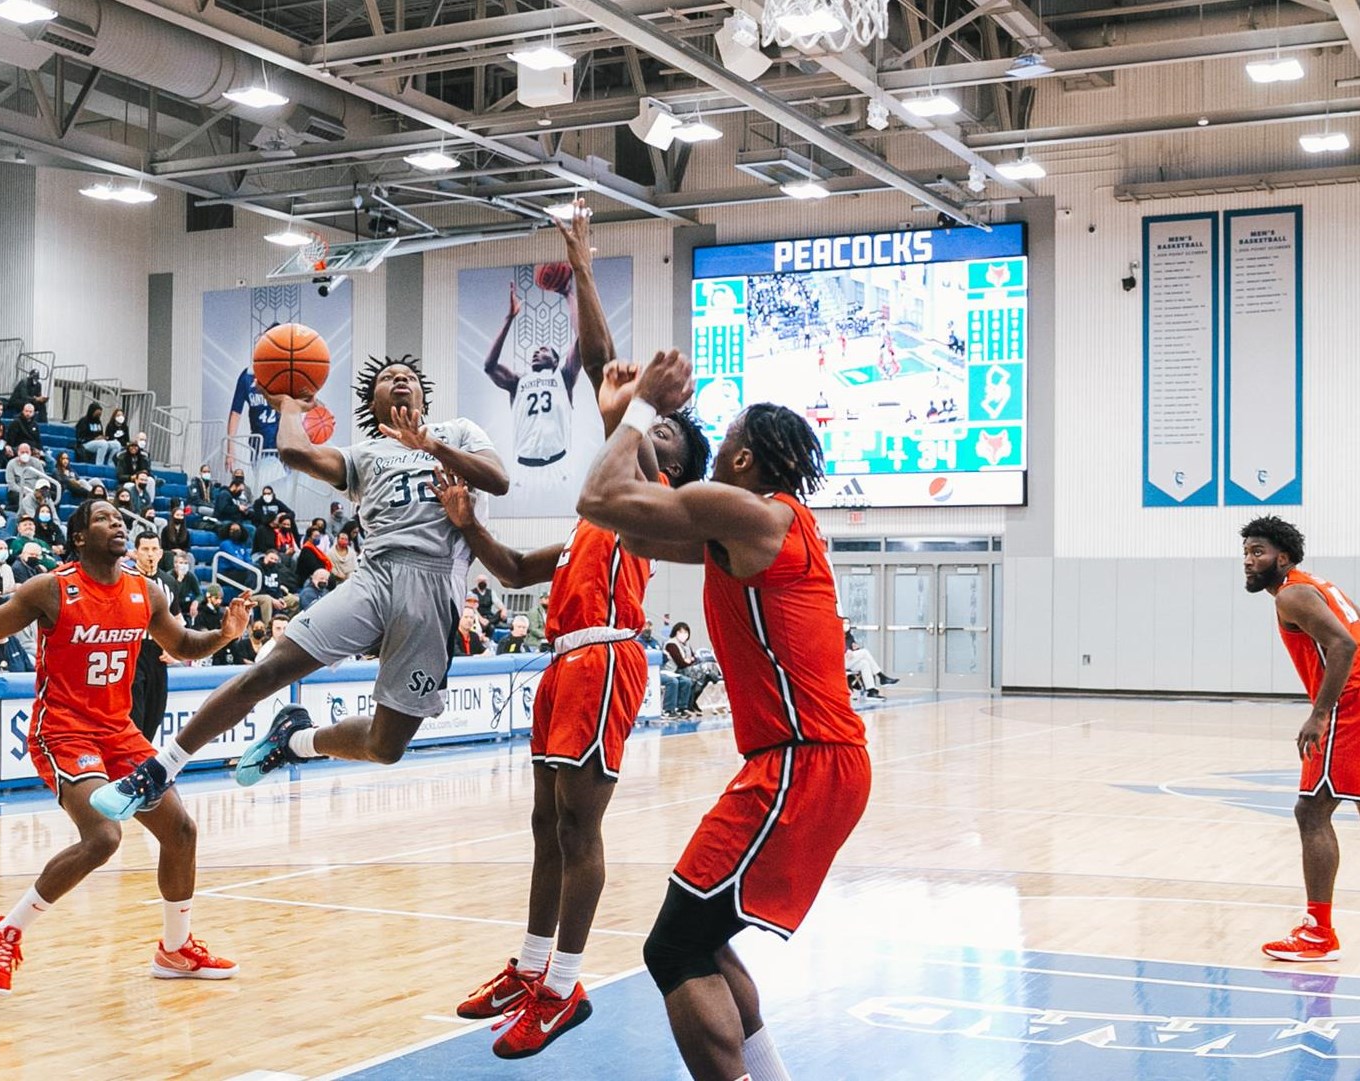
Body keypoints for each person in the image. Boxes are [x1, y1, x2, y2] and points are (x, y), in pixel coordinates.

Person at [569, 351, 870, 1081]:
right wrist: (620, 414)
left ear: (738, 457)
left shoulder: (750, 511)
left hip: (802, 761)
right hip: (807, 761)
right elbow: (636, 531)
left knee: (672, 948)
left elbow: (596, 499)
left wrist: (639, 409)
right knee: (702, 934)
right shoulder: (763, 523)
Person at [89, 354, 508, 825]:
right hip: (374, 576)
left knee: (386, 746)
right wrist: (290, 405)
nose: (400, 381)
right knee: (267, 670)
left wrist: (429, 443)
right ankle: (158, 771)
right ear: (374, 400)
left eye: (409, 377)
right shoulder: (364, 456)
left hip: (433, 588)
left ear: (424, 396)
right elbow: (295, 453)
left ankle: (294, 740)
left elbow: (499, 480)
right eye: (389, 378)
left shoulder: (459, 432)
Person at [0, 499, 254, 996]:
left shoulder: (146, 591)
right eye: (104, 519)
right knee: (103, 838)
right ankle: (3, 932)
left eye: (120, 518)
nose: (118, 524)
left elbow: (183, 646)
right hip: (62, 730)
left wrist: (224, 634)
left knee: (181, 832)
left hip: (119, 731)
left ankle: (175, 950)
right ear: (80, 537)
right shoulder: (51, 589)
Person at [433, 380, 707, 1056]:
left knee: (578, 828)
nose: (653, 430)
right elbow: (512, 569)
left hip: (605, 657)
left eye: (665, 433)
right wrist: (468, 521)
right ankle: (528, 967)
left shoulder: (654, 507)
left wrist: (635, 401)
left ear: (668, 470)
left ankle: (563, 986)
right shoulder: (592, 521)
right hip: (561, 664)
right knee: (545, 824)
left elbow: (629, 435)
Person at [1240, 515, 1360, 961]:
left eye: (1258, 552)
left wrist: (1321, 713)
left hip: (1355, 700)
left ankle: (1318, 934)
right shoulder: (1319, 584)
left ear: (1284, 557)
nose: (1248, 561)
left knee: (1311, 811)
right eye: (1245, 553)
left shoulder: (1293, 595)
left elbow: (1346, 646)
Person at [482, 252, 587, 504]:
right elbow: (489, 366)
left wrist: (568, 294)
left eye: (544, 350)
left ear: (556, 359)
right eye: (535, 352)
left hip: (559, 463)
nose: (537, 352)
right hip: (523, 466)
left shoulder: (564, 376)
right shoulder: (518, 383)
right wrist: (509, 319)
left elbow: (583, 339)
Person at [128, 533, 178, 743]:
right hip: (132, 651)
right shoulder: (125, 578)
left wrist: (174, 647)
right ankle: (133, 763)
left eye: (154, 549)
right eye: (145, 549)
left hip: (158, 652)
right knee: (134, 713)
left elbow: (176, 619)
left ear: (160, 552)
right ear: (136, 552)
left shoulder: (169, 582)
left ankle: (143, 759)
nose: (150, 554)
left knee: (155, 712)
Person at [843, 618, 896, 699]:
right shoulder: (835, 634)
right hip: (838, 660)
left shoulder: (850, 637)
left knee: (864, 663)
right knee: (864, 652)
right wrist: (847, 650)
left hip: (848, 661)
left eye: (847, 623)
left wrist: (856, 648)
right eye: (844, 623)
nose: (846, 625)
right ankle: (881, 676)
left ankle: (871, 691)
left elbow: (853, 648)